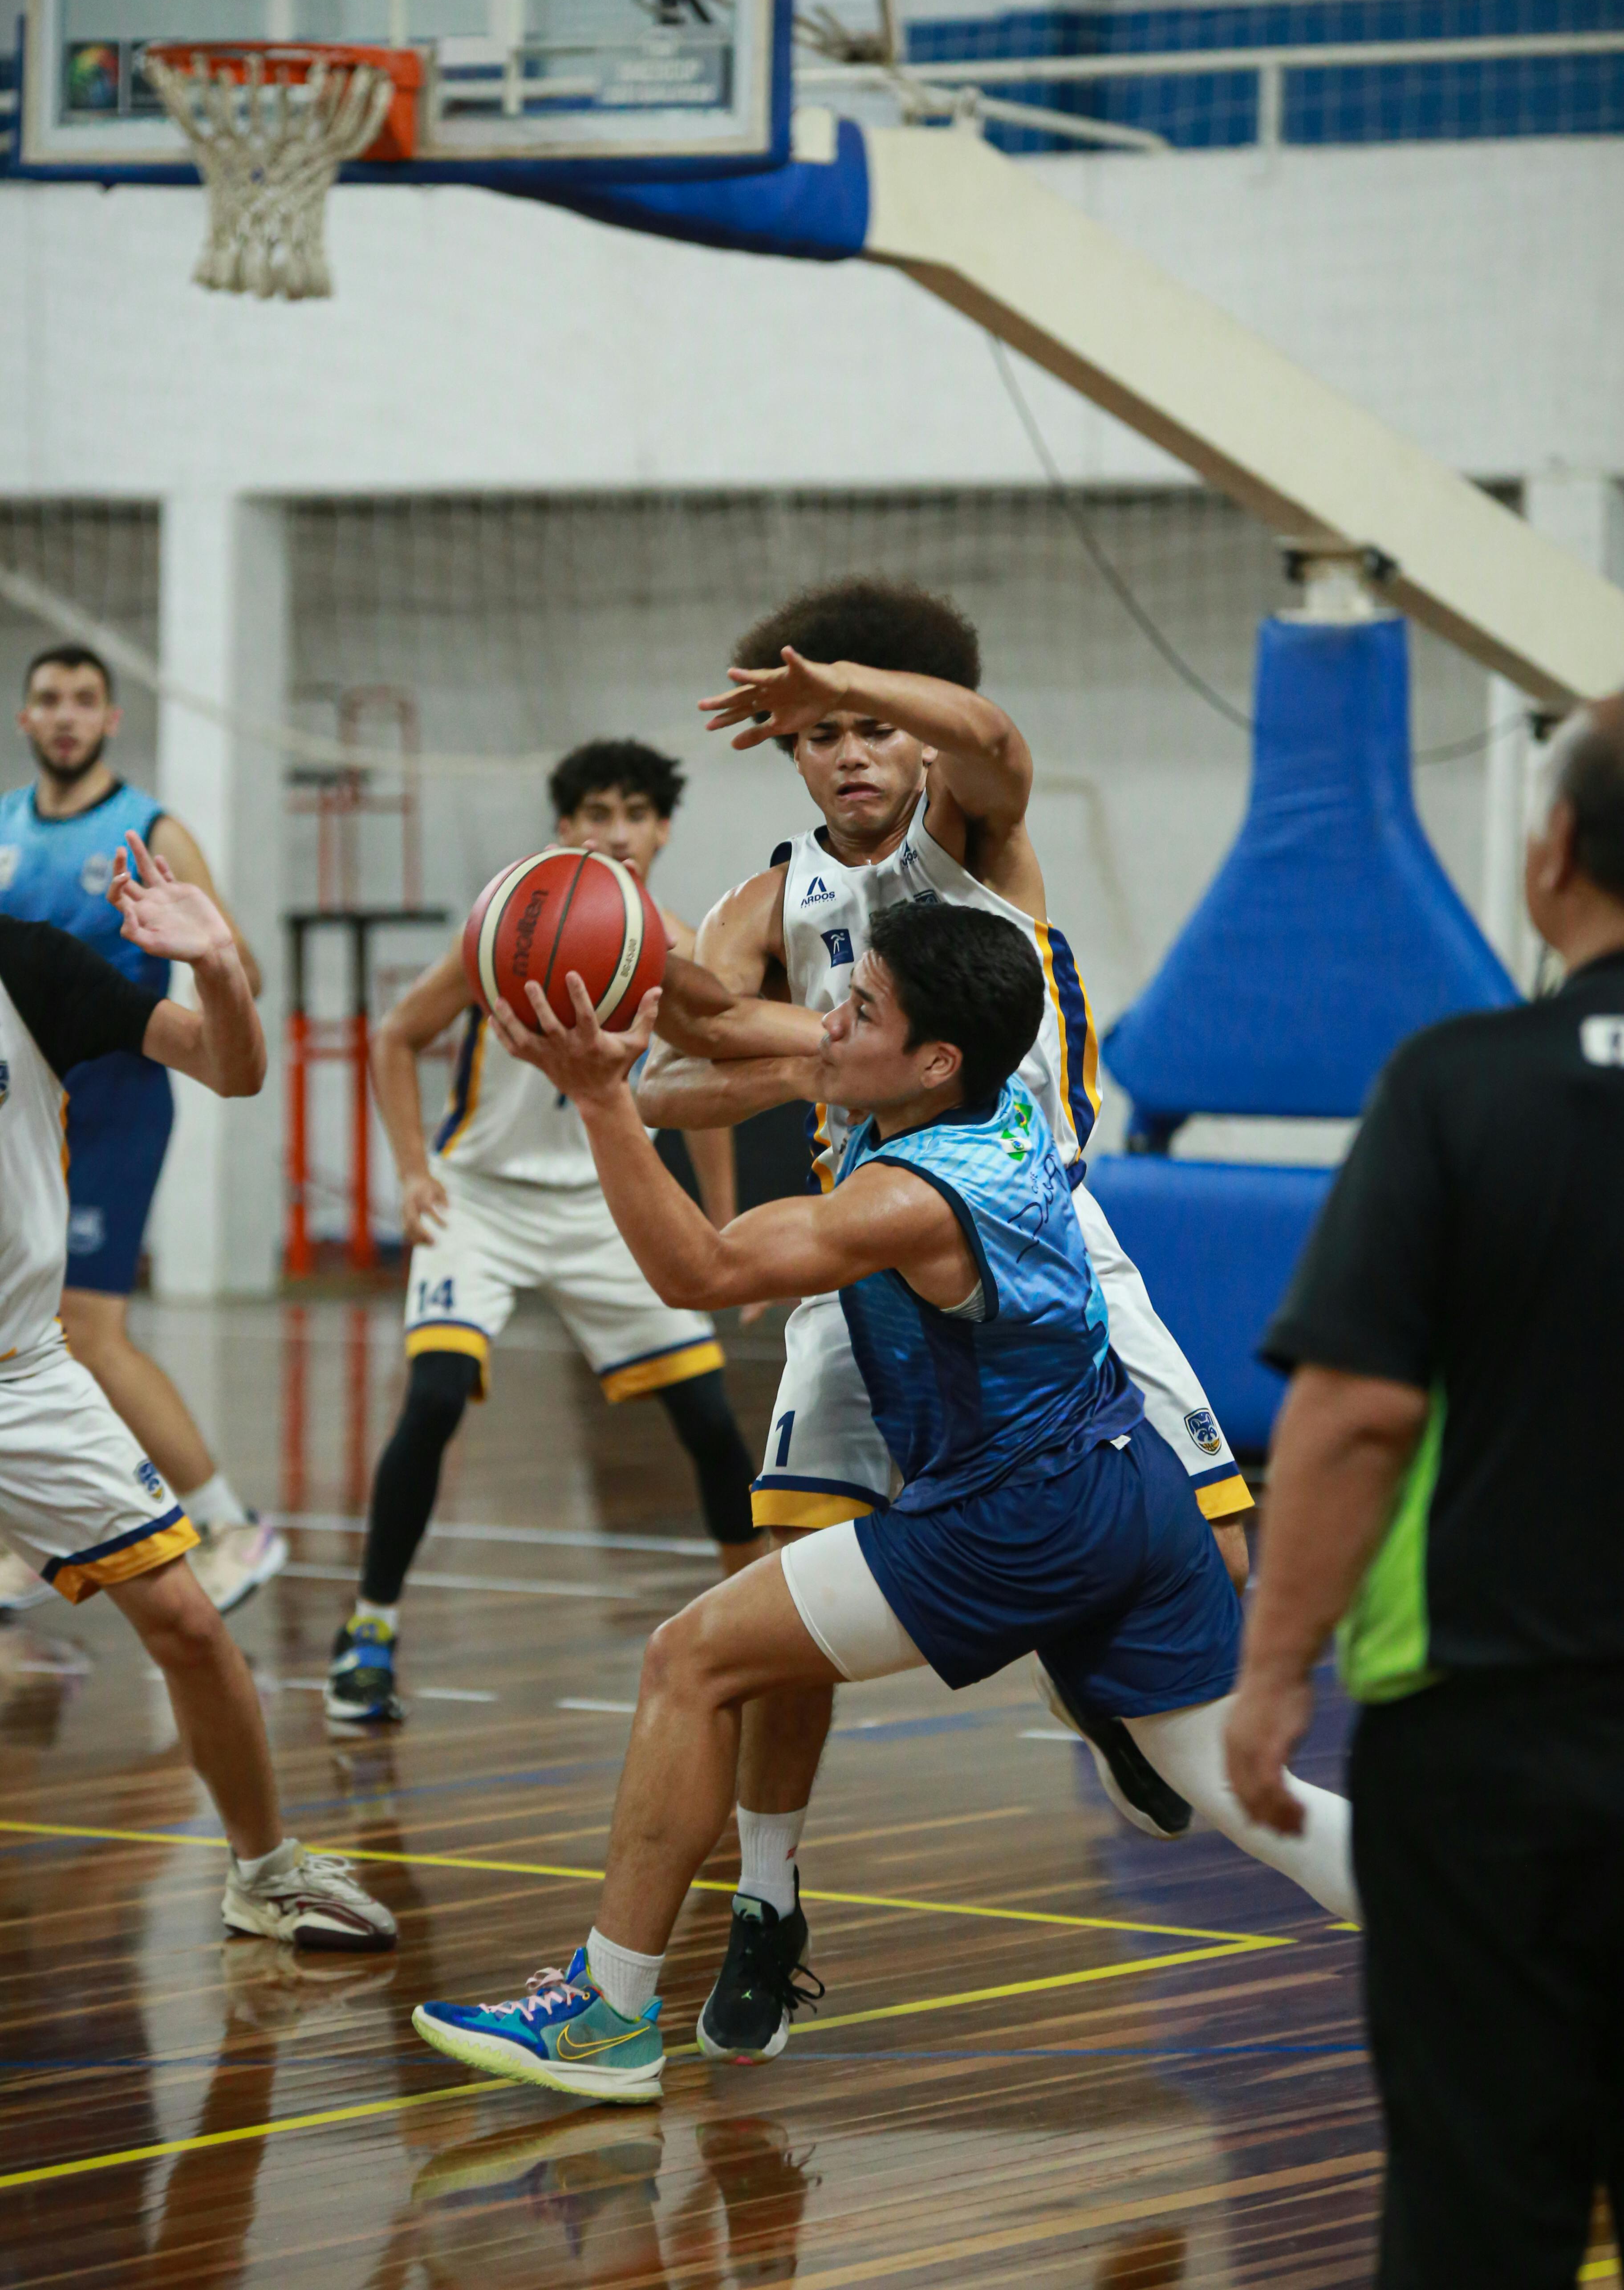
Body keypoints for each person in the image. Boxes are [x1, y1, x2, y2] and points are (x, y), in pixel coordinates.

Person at [411, 903, 1354, 2106]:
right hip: (1129, 1487)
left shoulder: (913, 1196)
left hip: (1019, 1517)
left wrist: (596, 1101)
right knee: (1243, 1796)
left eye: (863, 1007)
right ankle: (1509, 1937)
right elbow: (755, 1043)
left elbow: (700, 1271)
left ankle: (610, 2012)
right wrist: (631, 1037)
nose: (833, 1015)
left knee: (689, 1662)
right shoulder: (993, 1096)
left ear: (931, 1059)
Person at [633, 578, 1253, 2057]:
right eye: (816, 737)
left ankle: (1099, 1691)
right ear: (785, 760)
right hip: (874, 1256)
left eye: (868, 726)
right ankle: (768, 1903)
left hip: (1047, 1239)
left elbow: (986, 732)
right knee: (789, 1580)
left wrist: (850, 681)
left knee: (1211, 1547)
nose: (846, 755)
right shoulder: (765, 898)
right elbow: (673, 1061)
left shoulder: (970, 833)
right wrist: (799, 1042)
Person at [1225, 694, 1624, 2290]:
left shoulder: (1457, 1084)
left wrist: (1264, 1678)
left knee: (1477, 2211)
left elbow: (1354, 1408)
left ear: (1548, 857)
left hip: (1485, 1750)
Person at [0, 828, 395, 1948]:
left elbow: (234, 1069)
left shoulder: (26, 967)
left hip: (20, 1375)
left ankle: (266, 1873)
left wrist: (217, 966)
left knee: (184, 1619)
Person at [325, 740, 765, 1726]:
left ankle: (754, 1633)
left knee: (707, 1422)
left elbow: (714, 1073)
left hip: (606, 1202)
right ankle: (369, 1628)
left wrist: (724, 1221)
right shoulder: (509, 926)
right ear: (565, 828)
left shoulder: (676, 940)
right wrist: (409, 1169)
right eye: (597, 813)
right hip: (478, 1195)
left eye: (637, 814)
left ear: (662, 830)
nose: (617, 831)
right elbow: (396, 1035)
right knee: (434, 1397)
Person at [0, 642, 284, 1616]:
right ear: (27, 719)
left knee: (87, 1328)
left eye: (86, 699)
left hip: (120, 1098)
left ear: (112, 719)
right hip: (25, 1113)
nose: (68, 715)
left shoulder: (148, 828)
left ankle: (229, 1523)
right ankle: (33, 1539)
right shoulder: (3, 826)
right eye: (50, 700)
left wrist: (189, 950)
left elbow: (237, 959)